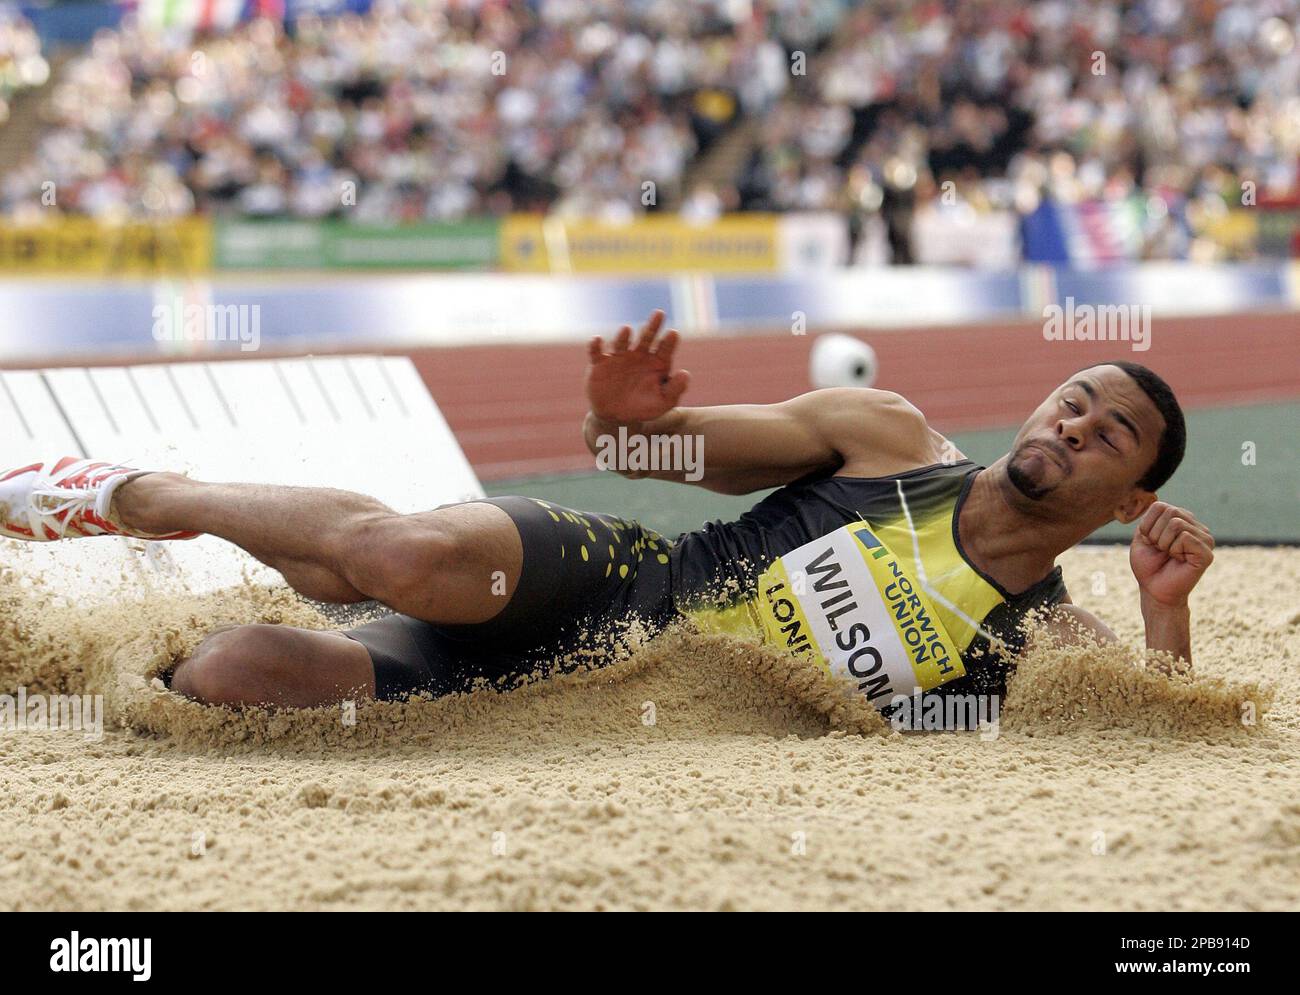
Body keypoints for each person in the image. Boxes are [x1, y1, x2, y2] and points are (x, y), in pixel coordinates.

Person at [0, 311, 1213, 720]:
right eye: (1070, 400)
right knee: (402, 552)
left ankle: (66, 671)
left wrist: (1165, 611)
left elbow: (1149, 725)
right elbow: (650, 454)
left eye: (1107, 434)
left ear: (1132, 498)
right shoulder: (889, 436)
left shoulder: (1036, 639)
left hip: (583, 698)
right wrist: (621, 418)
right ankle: (129, 493)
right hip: (607, 580)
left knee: (231, 674)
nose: (1069, 426)